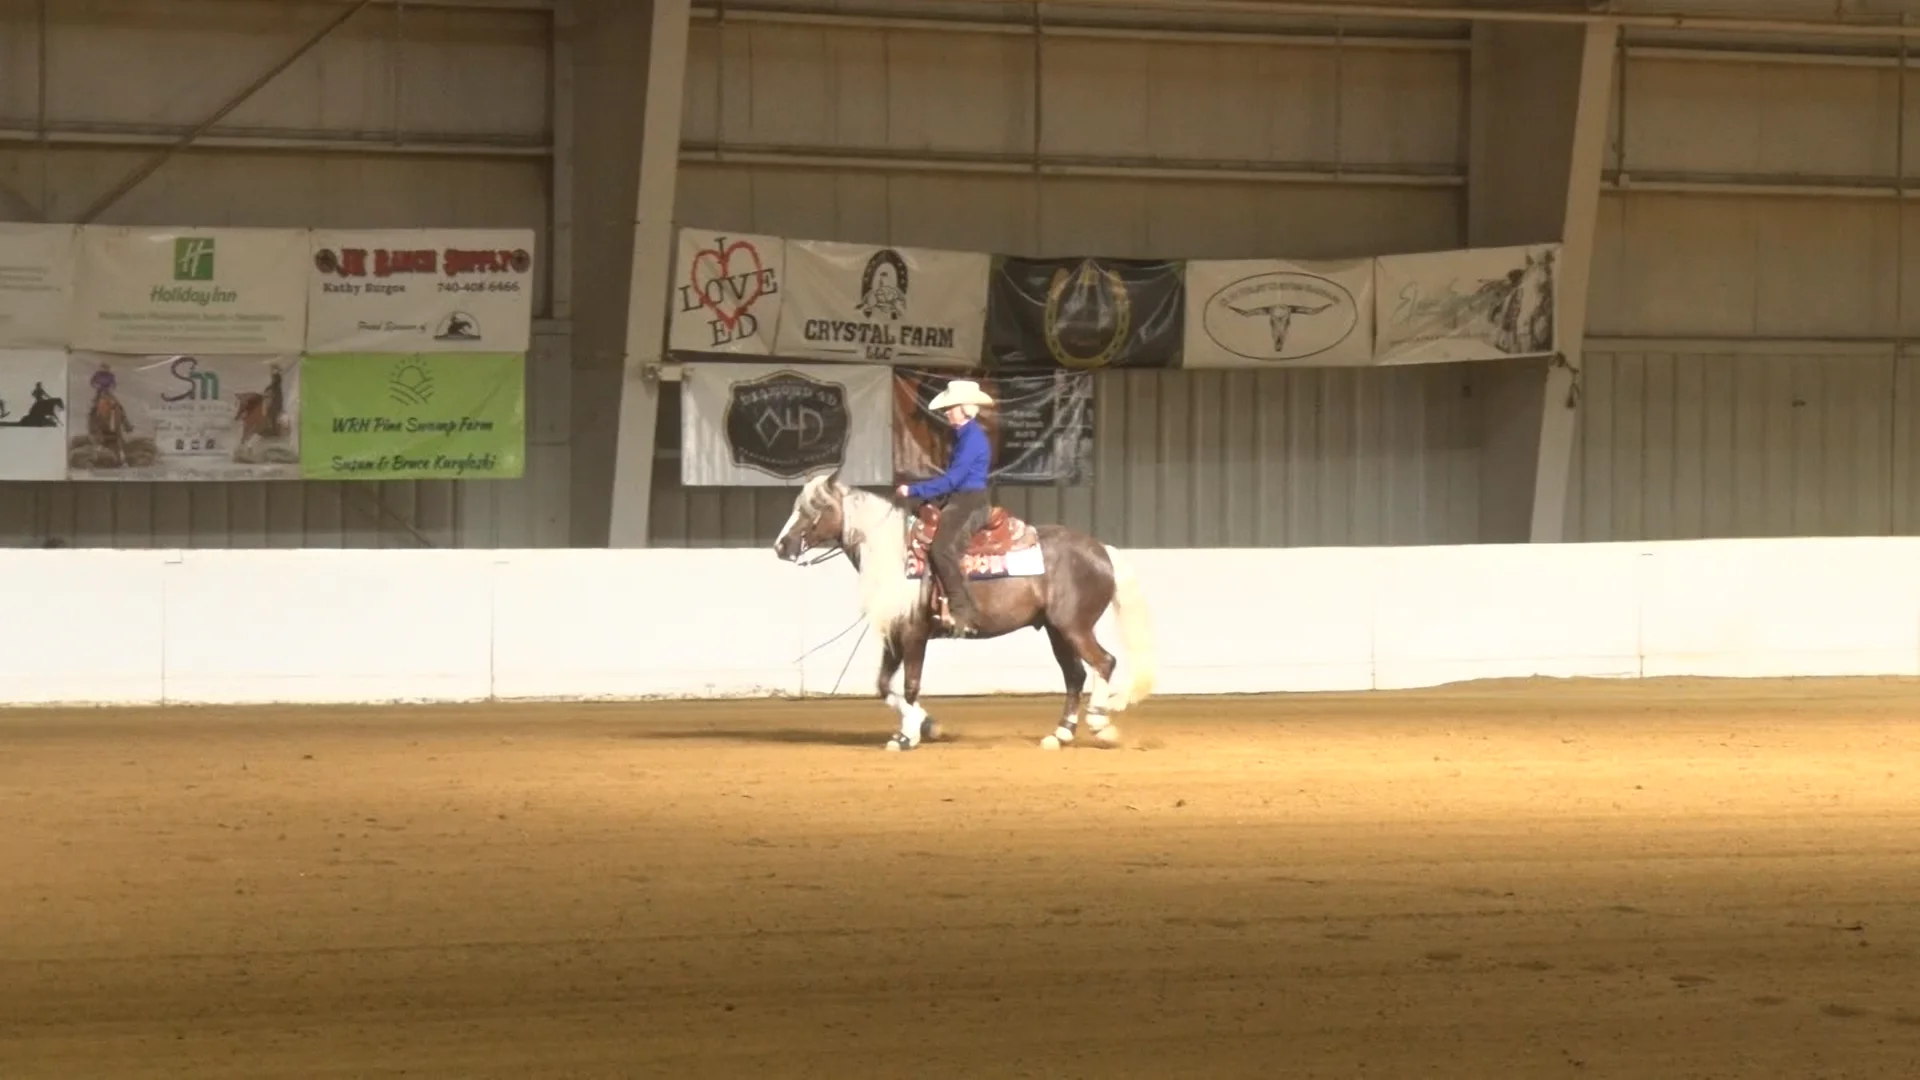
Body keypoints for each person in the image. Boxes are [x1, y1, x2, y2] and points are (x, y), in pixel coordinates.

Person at [896, 378, 995, 636]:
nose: (947, 412)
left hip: (971, 501)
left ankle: (964, 612)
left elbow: (953, 480)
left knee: (942, 547)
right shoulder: (964, 436)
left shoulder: (972, 439)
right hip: (961, 496)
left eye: (951, 407)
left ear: (963, 408)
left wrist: (914, 490)